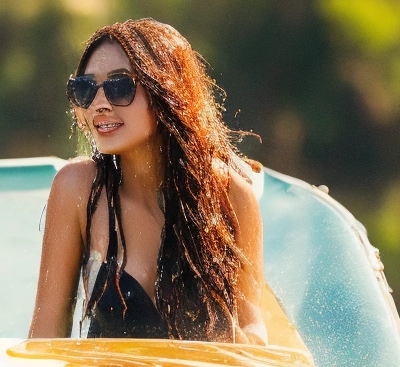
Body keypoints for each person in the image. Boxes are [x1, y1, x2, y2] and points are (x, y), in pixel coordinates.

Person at [28, 19, 266, 343]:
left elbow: (254, 329)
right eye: (85, 88)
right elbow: (45, 335)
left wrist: (238, 339)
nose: (99, 103)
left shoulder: (231, 197)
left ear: (166, 90)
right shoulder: (77, 189)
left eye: (119, 86)